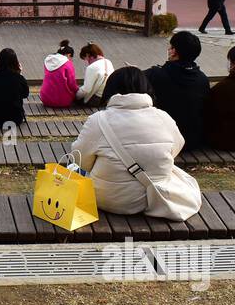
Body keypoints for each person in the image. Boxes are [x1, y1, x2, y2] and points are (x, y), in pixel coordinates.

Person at [69, 66, 201, 221]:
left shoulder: (98, 120)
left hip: (110, 199)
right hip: (156, 195)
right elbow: (176, 147)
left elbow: (79, 160)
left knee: (73, 168)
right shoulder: (163, 117)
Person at [145, 30, 210, 150]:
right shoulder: (202, 79)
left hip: (162, 140)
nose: (169, 50)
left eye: (170, 47)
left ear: (174, 52)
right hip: (192, 140)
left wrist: (132, 72)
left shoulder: (155, 74)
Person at [0, 47, 29, 129]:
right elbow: (25, 94)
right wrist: (20, 74)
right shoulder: (18, 78)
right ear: (15, 63)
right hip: (13, 120)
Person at [39, 40, 80, 108]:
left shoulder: (48, 60)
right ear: (69, 55)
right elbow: (72, 84)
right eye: (71, 58)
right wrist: (78, 91)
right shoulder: (67, 64)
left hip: (45, 98)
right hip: (62, 101)